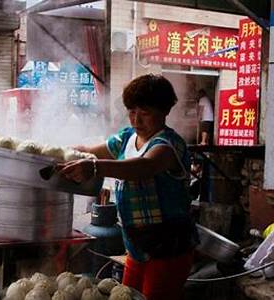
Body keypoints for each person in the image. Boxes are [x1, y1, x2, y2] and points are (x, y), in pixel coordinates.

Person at [59, 74, 198, 300]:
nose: (136, 120)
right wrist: (64, 153)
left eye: (144, 114)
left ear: (164, 112)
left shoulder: (168, 145)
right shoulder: (127, 137)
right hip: (136, 246)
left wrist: (94, 168)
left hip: (169, 248)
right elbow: (93, 151)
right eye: (132, 112)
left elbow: (143, 167)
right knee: (123, 296)